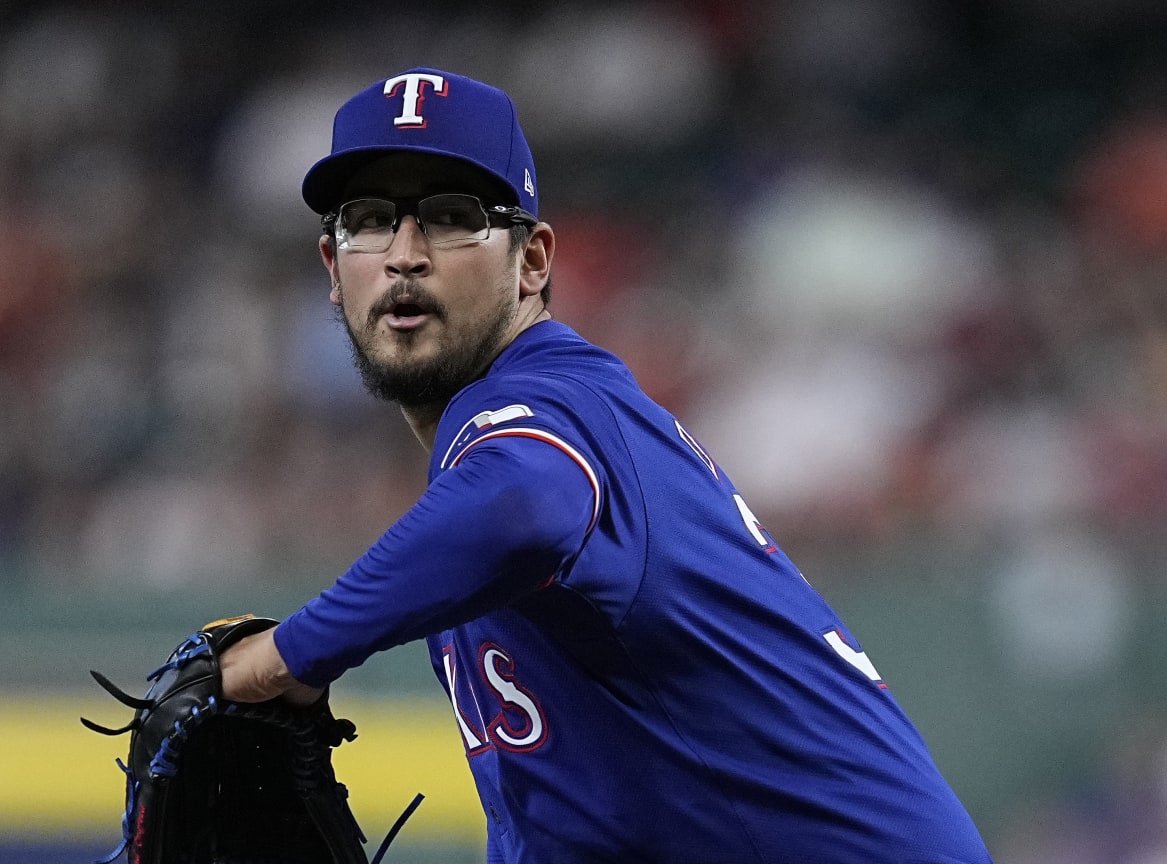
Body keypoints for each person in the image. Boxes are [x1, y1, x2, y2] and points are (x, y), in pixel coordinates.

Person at [218, 67, 993, 863]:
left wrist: (288, 655)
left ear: (533, 262)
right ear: (331, 269)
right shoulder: (480, 497)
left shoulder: (555, 405)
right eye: (370, 222)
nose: (405, 256)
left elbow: (522, 500)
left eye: (453, 219)